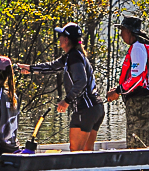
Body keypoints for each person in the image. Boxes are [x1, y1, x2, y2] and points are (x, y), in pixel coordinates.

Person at [18, 23, 105, 152]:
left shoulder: (74, 57)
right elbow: (52, 67)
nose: (59, 38)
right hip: (96, 108)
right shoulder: (73, 56)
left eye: (61, 36)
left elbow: (81, 81)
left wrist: (67, 101)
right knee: (87, 152)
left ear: (66, 39)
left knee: (76, 153)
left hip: (85, 109)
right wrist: (30, 69)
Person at [105, 16, 149, 148]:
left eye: (122, 30)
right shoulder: (143, 46)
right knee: (144, 140)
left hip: (140, 102)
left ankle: (140, 166)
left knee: (137, 143)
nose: (120, 34)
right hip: (145, 99)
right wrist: (119, 89)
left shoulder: (137, 48)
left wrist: (118, 91)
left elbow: (137, 78)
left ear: (129, 31)